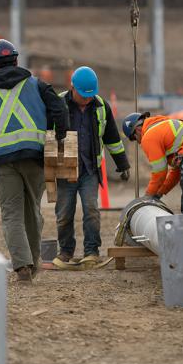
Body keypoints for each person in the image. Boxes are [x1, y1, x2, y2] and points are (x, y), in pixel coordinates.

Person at [0, 39, 68, 283]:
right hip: (34, 157)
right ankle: (32, 264)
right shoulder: (38, 85)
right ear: (16, 61)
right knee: (32, 210)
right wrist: (60, 136)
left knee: (12, 214)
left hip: (2, 161)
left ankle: (22, 265)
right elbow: (59, 110)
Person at [54, 66, 130, 265]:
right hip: (64, 168)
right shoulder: (57, 104)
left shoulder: (101, 106)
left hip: (89, 169)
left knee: (91, 210)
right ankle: (66, 252)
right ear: (73, 88)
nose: (87, 99)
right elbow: (44, 133)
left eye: (90, 95)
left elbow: (112, 137)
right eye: (83, 95)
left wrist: (122, 164)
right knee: (64, 213)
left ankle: (91, 251)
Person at [122, 112, 183, 213]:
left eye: (134, 138)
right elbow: (177, 170)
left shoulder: (149, 137)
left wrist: (148, 196)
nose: (138, 142)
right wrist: (159, 193)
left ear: (137, 130)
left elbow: (159, 171)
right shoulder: (163, 125)